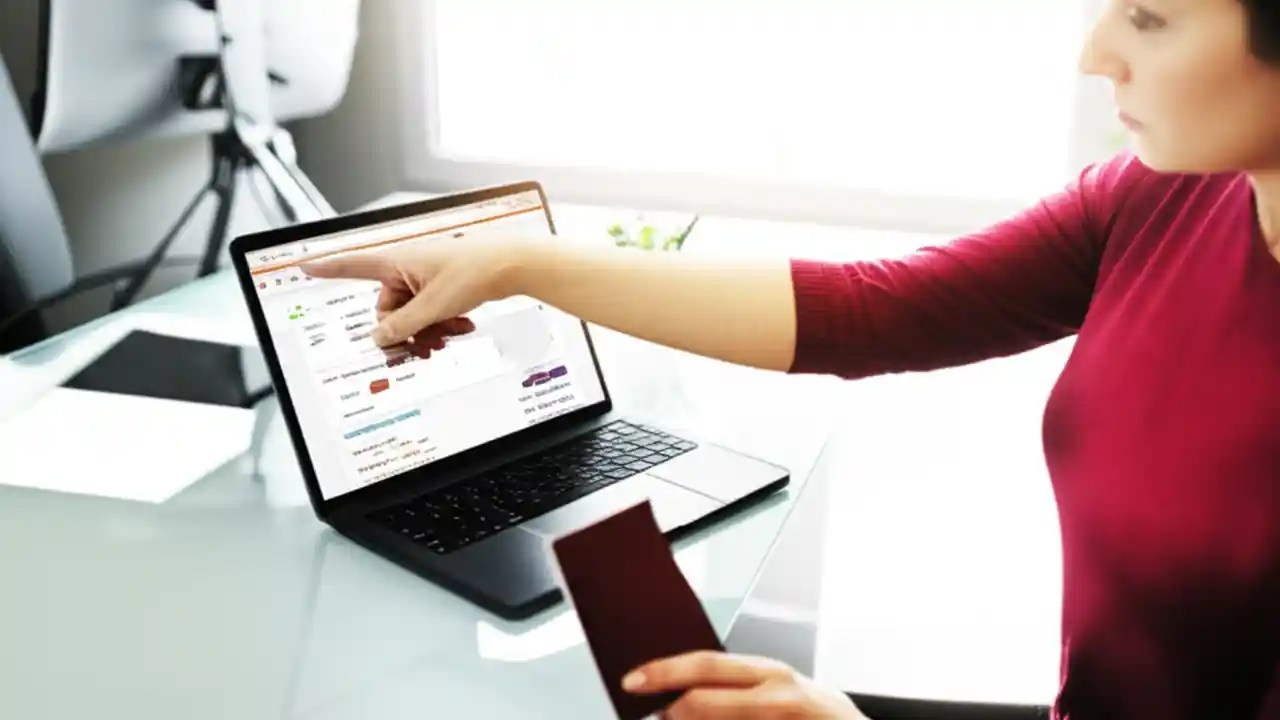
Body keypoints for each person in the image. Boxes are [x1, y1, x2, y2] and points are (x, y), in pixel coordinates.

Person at [303, 0, 1280, 717]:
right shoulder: (1160, 197)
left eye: (1149, 18)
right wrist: (514, 262)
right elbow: (870, 309)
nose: (1091, 53)